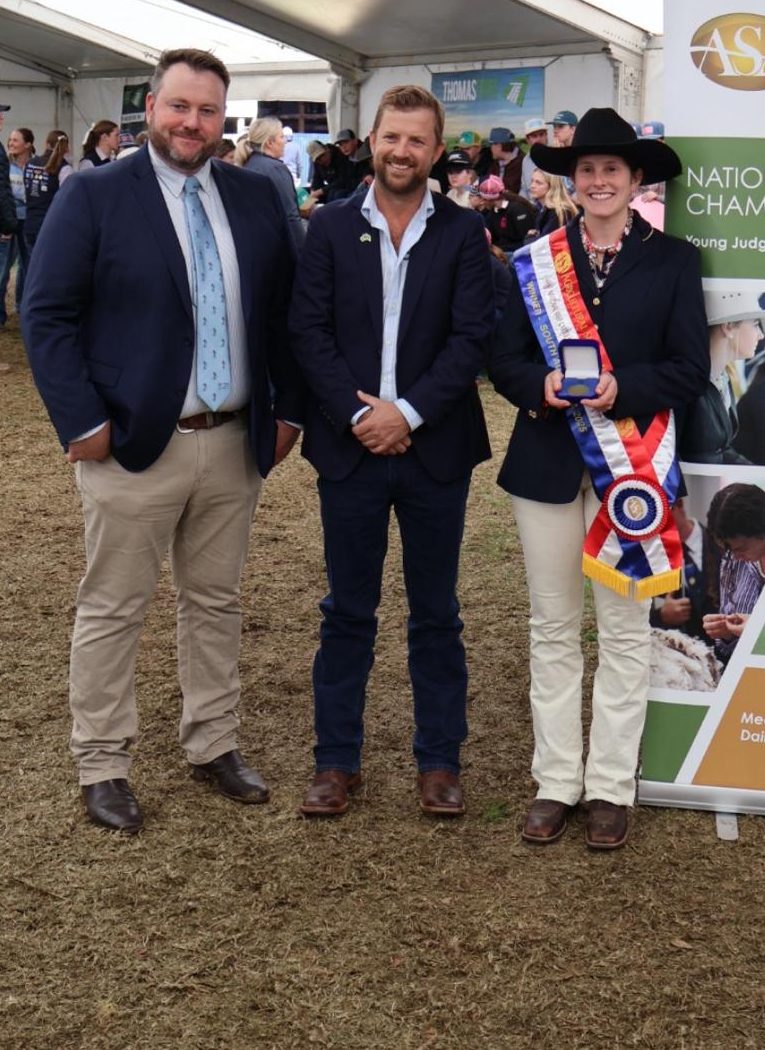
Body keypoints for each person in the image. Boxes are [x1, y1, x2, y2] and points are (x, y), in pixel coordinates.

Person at [22, 48, 303, 834]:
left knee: (215, 601)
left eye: (208, 111)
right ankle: (102, 762)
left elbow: (283, 315)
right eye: (180, 107)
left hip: (231, 441)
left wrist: (289, 415)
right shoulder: (95, 194)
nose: (192, 123)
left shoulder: (251, 195)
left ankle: (212, 742)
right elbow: (47, 315)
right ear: (152, 107)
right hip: (131, 444)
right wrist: (83, 424)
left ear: (224, 119)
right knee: (113, 607)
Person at [489, 108, 708, 850]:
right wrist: (537, 385)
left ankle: (610, 786)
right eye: (586, 169)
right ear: (570, 181)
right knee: (550, 627)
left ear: (635, 178)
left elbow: (687, 368)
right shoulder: (534, 259)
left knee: (621, 632)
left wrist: (623, 389)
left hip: (631, 470)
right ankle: (556, 781)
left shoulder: (674, 260)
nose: (598, 180)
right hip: (547, 460)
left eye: (612, 168)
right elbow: (505, 358)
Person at [289, 84, 494, 819]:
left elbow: (471, 336)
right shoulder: (331, 227)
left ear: (436, 152)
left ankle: (439, 762)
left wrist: (404, 412)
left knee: (435, 612)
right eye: (390, 137)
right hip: (350, 452)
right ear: (369, 140)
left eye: (416, 140)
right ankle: (334, 761)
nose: (401, 151)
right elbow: (307, 332)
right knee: (347, 609)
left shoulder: (464, 234)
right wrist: (356, 414)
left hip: (434, 450)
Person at [680, 286, 764, 465]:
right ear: (728, 327)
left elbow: (723, 450)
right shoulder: (689, 384)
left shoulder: (722, 379)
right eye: (755, 324)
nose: (761, 335)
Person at [703, 483, 765, 665]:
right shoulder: (731, 561)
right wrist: (726, 634)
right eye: (728, 549)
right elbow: (726, 650)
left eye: (742, 548)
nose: (736, 556)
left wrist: (758, 631)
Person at [242, 116, 306, 251]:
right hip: (276, 248)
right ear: (270, 142)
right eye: (282, 137)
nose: (284, 142)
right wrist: (303, 252)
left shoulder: (250, 164)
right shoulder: (275, 169)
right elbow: (290, 215)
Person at [1, 125, 34, 324]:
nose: (11, 143)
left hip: (27, 220)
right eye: (10, 140)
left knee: (26, 264)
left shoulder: (34, 166)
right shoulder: (6, 164)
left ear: (28, 144)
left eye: (16, 140)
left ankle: (22, 306)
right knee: (4, 268)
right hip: (9, 219)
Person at [23, 130, 73, 252]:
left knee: (29, 266)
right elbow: (67, 200)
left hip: (30, 222)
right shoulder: (65, 168)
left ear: (46, 144)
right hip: (51, 225)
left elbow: (26, 193)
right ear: (66, 147)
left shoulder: (30, 163)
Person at [526, 167, 577, 239]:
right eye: (532, 181)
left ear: (551, 186)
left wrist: (530, 237)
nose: (532, 186)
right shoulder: (543, 208)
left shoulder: (558, 212)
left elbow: (544, 245)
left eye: (538, 183)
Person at [519, 118, 549, 200]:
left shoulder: (557, 157)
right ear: (528, 140)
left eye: (541, 134)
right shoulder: (526, 160)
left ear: (546, 136)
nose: (539, 139)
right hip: (532, 208)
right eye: (534, 136)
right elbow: (524, 189)